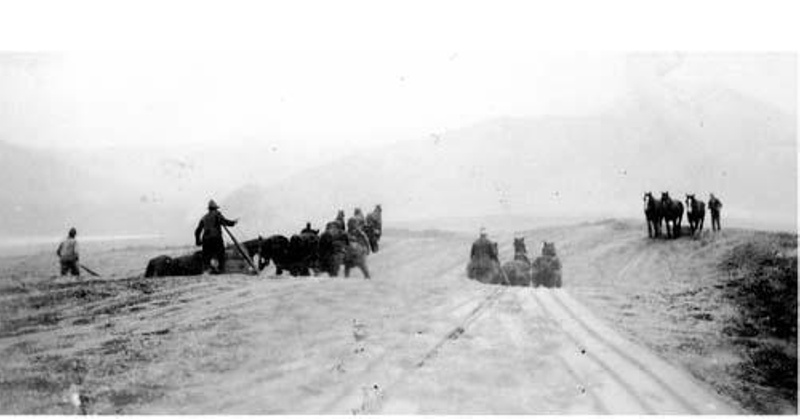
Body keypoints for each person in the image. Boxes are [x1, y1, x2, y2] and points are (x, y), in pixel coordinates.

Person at [194, 199, 238, 274]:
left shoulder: (204, 218)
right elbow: (225, 222)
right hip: (216, 239)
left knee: (206, 258)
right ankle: (221, 270)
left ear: (209, 209)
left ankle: (207, 271)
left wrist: (198, 241)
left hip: (206, 240)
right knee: (221, 255)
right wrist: (233, 222)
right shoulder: (217, 215)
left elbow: (197, 231)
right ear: (215, 208)